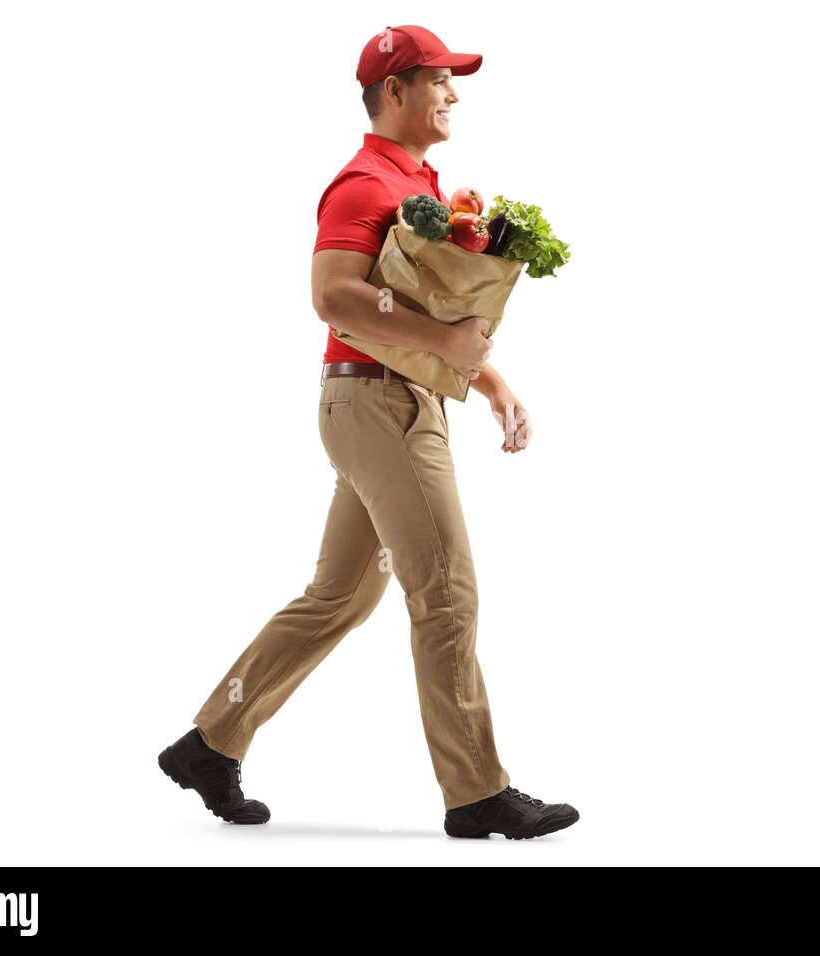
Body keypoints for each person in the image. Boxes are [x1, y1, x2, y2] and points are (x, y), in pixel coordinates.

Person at [158, 24, 578, 841]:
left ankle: (209, 741)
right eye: (439, 81)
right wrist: (450, 346)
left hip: (385, 404)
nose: (453, 93)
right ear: (395, 92)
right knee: (446, 591)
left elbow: (416, 316)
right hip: (379, 408)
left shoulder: (415, 180)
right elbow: (335, 298)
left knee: (340, 596)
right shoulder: (361, 184)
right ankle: (477, 793)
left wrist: (487, 379)